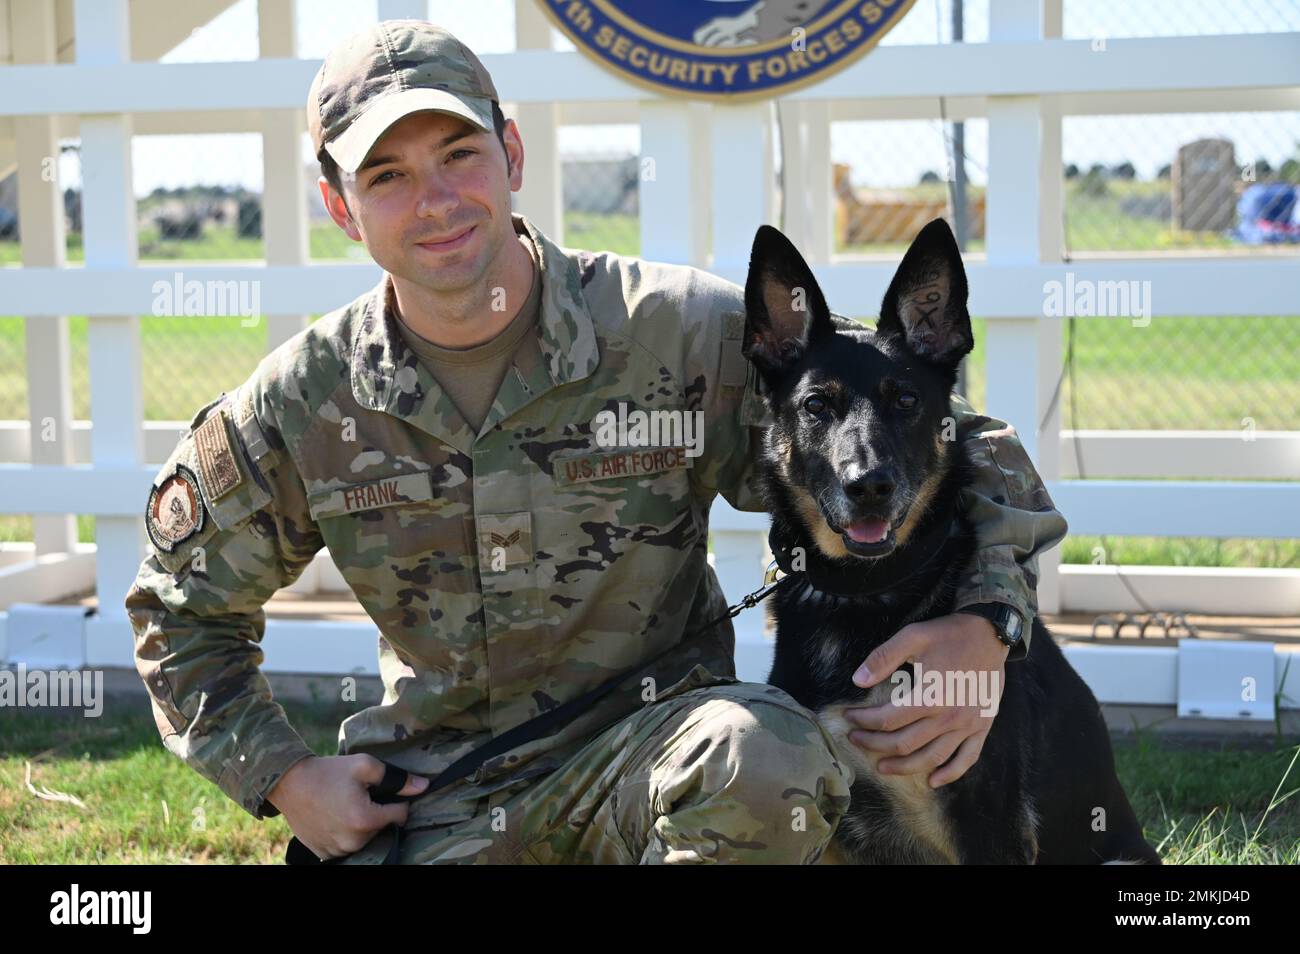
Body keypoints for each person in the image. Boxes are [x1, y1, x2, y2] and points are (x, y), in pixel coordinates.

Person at [125, 19, 1067, 864]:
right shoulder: (306, 401)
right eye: (387, 177)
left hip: (658, 763)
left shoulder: (674, 334)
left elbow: (950, 441)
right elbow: (177, 610)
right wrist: (289, 779)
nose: (438, 200)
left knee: (766, 755)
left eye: (459, 154)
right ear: (341, 207)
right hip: (441, 796)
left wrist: (985, 624)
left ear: (512, 152)